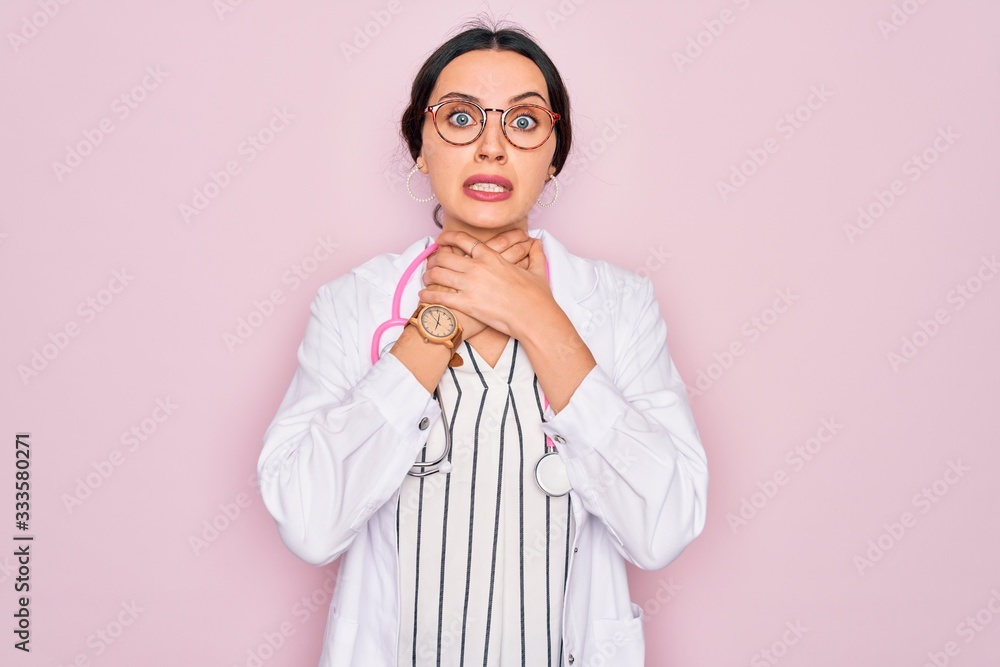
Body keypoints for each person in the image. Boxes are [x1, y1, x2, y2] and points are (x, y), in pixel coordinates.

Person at [257, 18, 709, 667]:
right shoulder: (352, 305)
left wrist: (540, 319)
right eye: (461, 118)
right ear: (419, 146)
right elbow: (309, 522)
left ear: (554, 154)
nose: (492, 147)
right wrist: (436, 328)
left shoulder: (621, 307)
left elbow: (663, 528)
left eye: (524, 123)